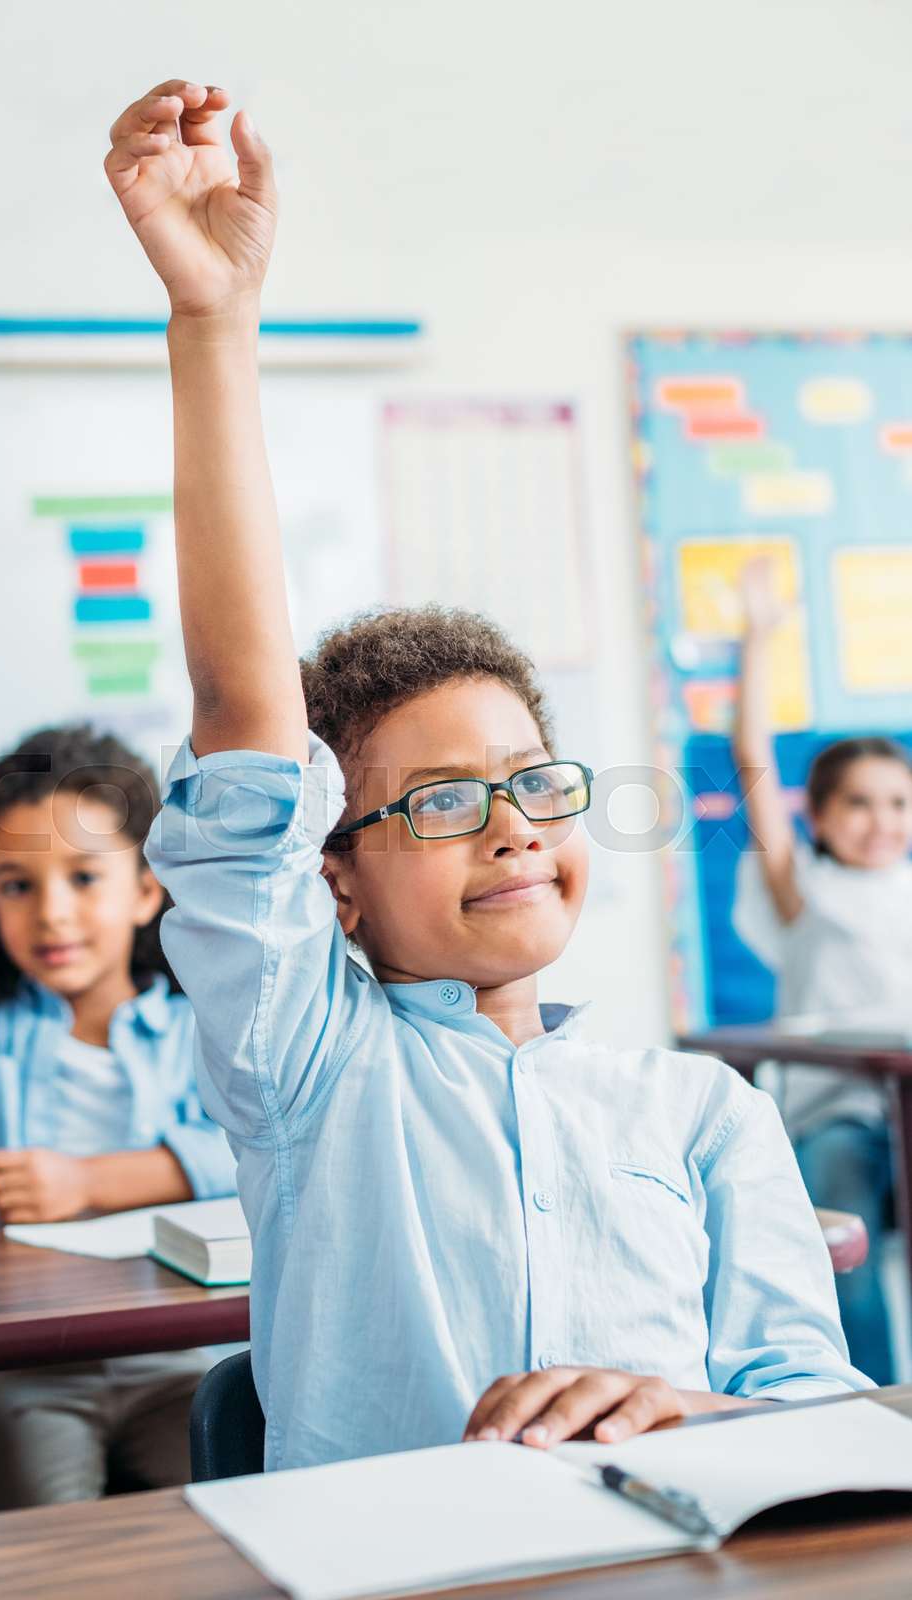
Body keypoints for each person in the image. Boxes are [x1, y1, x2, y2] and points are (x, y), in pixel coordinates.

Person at [106, 79, 869, 1471]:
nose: (511, 828)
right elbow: (244, 723)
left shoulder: (704, 1111)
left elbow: (808, 1406)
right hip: (395, 1562)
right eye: (442, 802)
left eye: (532, 784)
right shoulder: (309, 1064)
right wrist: (214, 324)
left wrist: (691, 1411)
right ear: (334, 880)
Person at [0, 503, 237, 1514]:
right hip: (13, 1360)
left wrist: (88, 1181)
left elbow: (258, 1154)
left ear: (146, 888)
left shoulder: (204, 1015)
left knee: (233, 1525)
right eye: (17, 885)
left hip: (180, 1350)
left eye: (82, 878)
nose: (51, 912)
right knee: (32, 1552)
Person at [732, 554, 912, 1384]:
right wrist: (758, 640)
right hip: (842, 1113)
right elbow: (751, 760)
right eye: (858, 803)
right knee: (846, 1249)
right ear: (819, 816)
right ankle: (874, 1398)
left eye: (897, 802)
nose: (881, 821)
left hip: (907, 1102)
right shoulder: (801, 887)